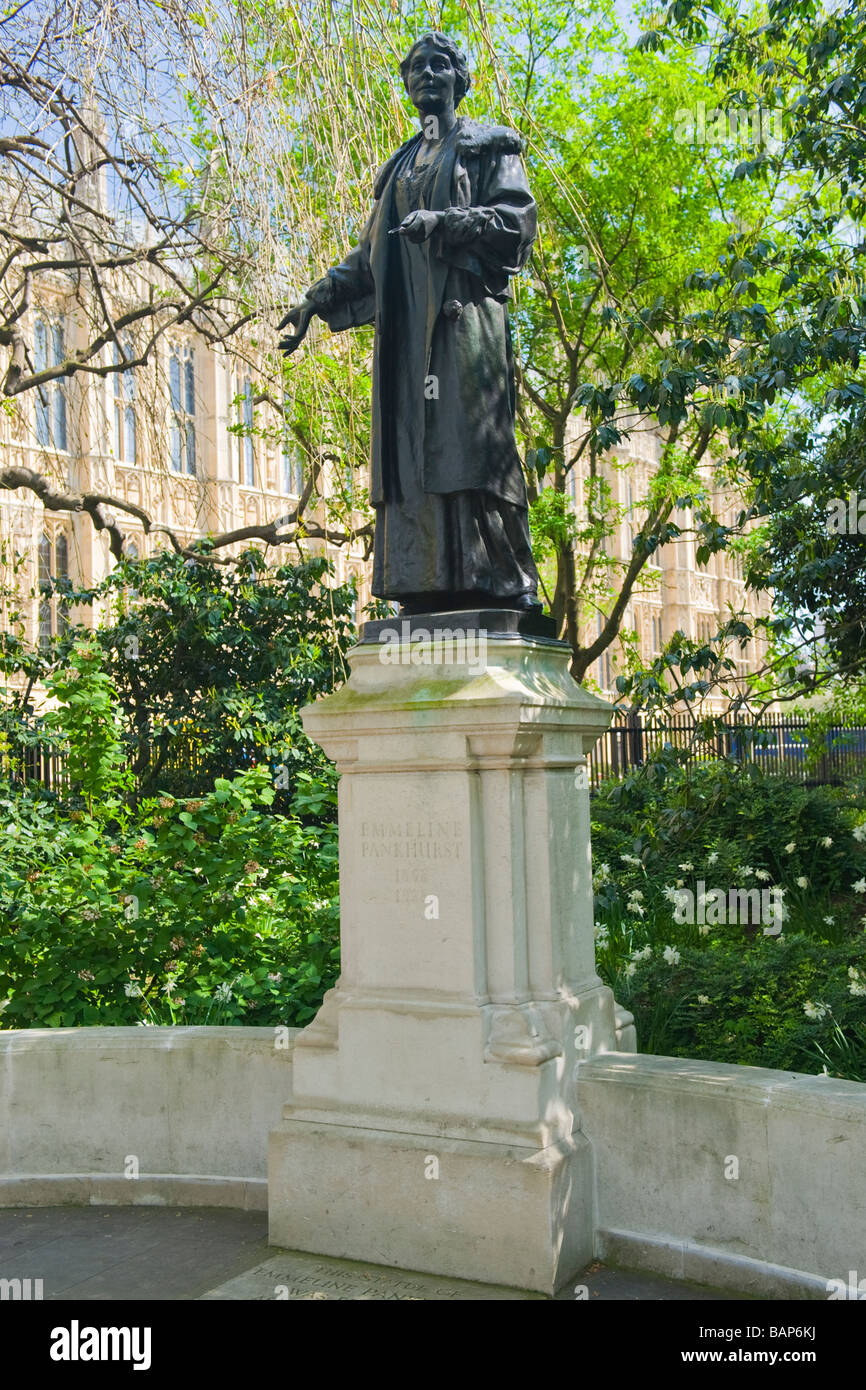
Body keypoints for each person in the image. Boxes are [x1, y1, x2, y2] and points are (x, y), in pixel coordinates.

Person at [279, 31, 542, 615]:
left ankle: (505, 580)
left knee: (471, 447)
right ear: (406, 84)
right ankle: (429, 585)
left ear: (459, 79)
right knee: (415, 458)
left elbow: (516, 228)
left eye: (439, 65)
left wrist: (447, 222)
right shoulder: (399, 168)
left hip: (461, 328)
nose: (427, 75)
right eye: (417, 67)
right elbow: (370, 257)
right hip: (406, 344)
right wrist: (315, 299)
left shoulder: (487, 148)